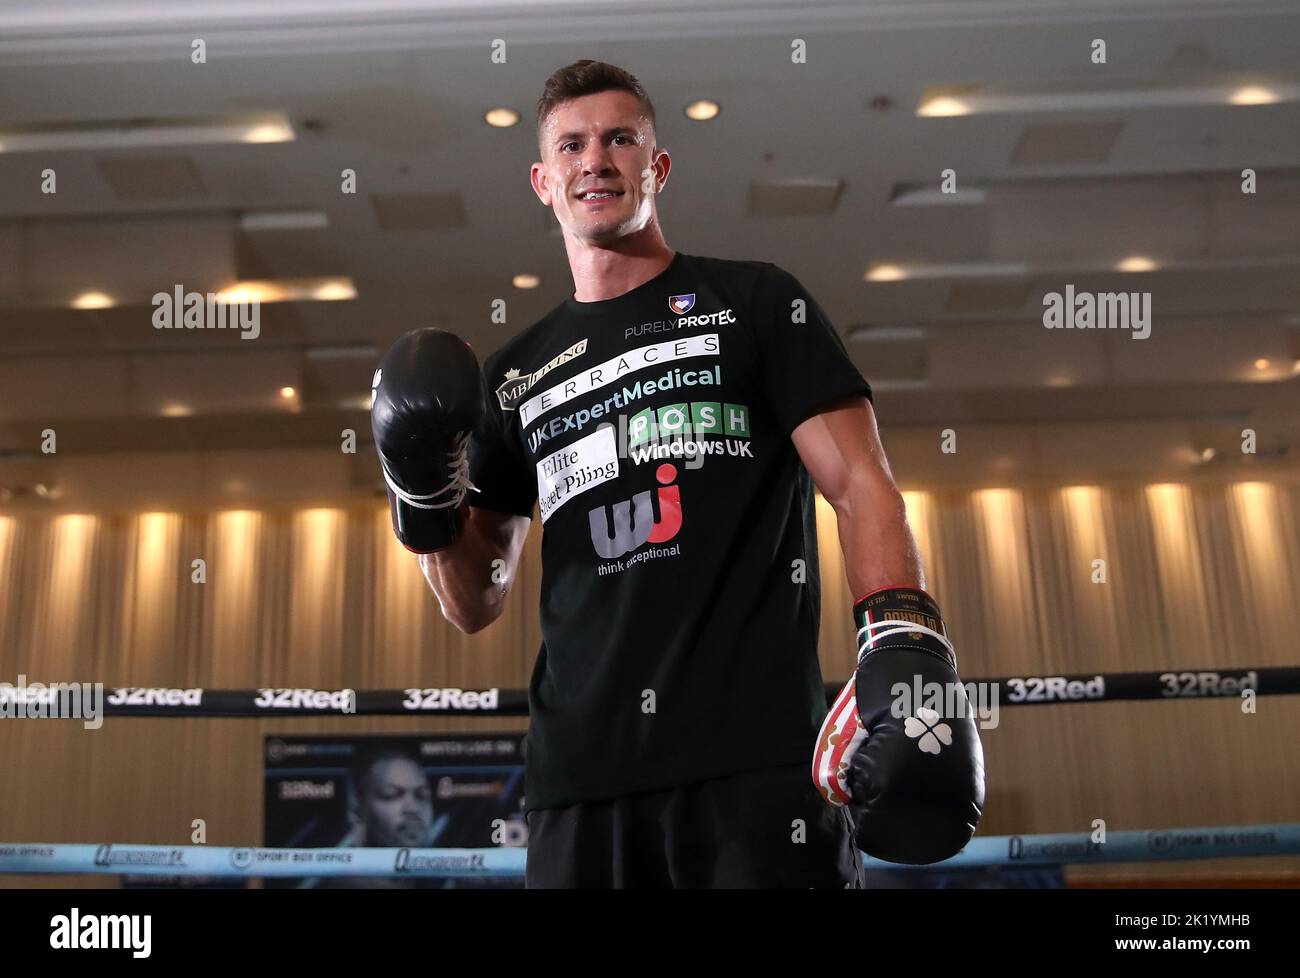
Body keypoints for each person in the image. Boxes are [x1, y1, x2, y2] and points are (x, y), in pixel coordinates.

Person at [370, 60, 984, 888]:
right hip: (582, 781)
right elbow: (475, 600)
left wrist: (904, 641)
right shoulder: (515, 377)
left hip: (757, 763)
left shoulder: (760, 305)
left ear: (656, 168)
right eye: (573, 145)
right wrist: (421, 495)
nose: (597, 160)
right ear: (543, 181)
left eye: (621, 139)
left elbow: (861, 484)